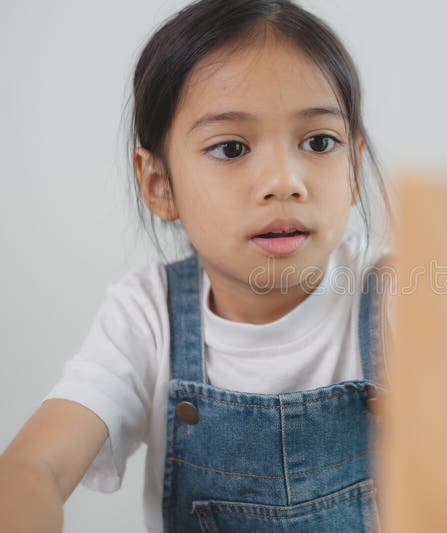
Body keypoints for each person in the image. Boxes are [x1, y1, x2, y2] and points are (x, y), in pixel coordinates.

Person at [0, 1, 394, 532]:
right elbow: (33, 467)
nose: (284, 180)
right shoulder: (146, 319)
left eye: (318, 142)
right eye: (231, 148)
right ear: (159, 184)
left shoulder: (398, 299)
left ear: (353, 168)